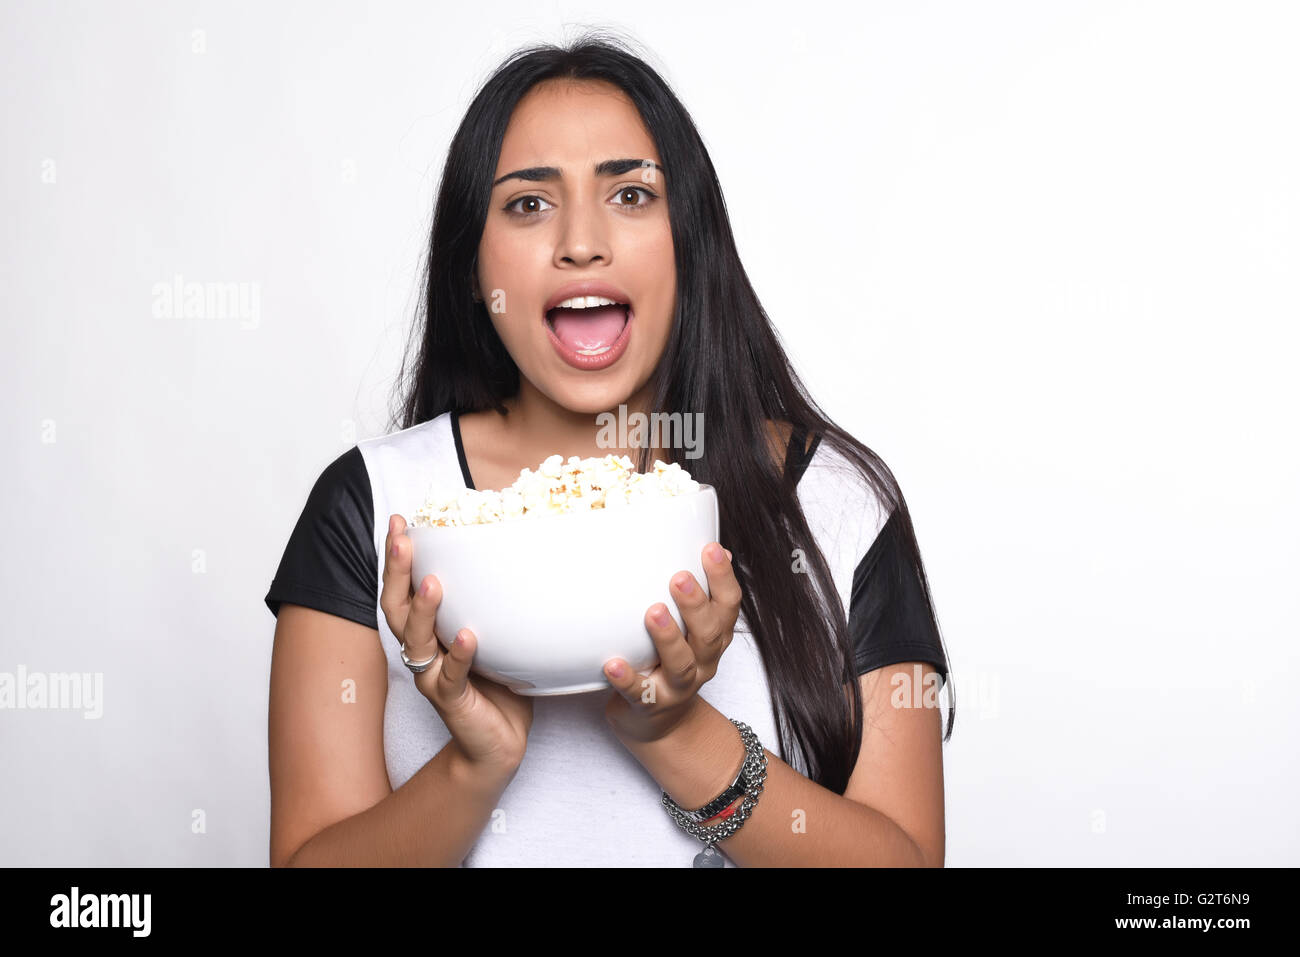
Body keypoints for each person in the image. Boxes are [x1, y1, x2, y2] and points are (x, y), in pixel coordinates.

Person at [264, 31, 954, 868]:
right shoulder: (372, 505)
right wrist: (477, 761)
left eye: (630, 195)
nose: (581, 242)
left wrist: (678, 734)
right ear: (471, 261)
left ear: (690, 240)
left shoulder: (835, 502)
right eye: (528, 203)